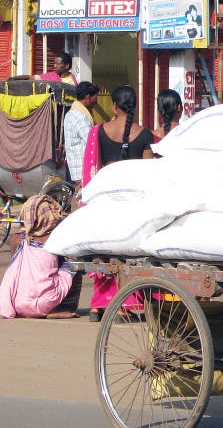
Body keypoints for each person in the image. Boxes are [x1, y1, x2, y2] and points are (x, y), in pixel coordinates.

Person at [83, 85, 154, 321]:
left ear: (114, 105)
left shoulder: (98, 131)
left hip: (105, 202)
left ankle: (97, 306)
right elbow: (148, 172)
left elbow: (93, 169)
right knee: (129, 253)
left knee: (103, 250)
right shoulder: (144, 134)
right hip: (132, 204)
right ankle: (128, 302)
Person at [0, 195, 77, 319]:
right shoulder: (56, 238)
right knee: (74, 261)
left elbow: (12, 276)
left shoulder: (16, 238)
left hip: (19, 303)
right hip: (44, 304)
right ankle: (62, 307)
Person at [63, 81, 99, 190]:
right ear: (88, 97)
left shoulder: (72, 113)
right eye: (96, 97)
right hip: (82, 169)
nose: (97, 101)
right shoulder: (80, 116)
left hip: (76, 169)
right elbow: (91, 139)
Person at [11, 51, 78, 86]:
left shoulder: (73, 81)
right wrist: (13, 78)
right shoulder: (50, 76)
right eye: (54, 63)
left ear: (67, 66)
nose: (54, 65)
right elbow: (29, 77)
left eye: (58, 64)